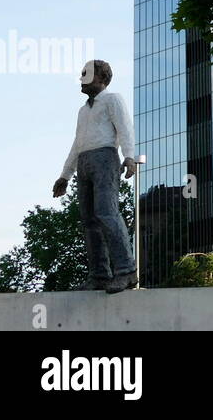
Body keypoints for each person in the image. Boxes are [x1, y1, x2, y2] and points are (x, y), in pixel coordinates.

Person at [53, 59, 138, 293]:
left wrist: (129, 157)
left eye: (86, 74)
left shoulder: (112, 100)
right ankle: (99, 275)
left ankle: (127, 271)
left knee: (107, 213)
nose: (81, 78)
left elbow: (125, 129)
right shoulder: (83, 111)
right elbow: (77, 142)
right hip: (84, 162)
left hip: (105, 158)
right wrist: (65, 175)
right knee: (89, 220)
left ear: (101, 77)